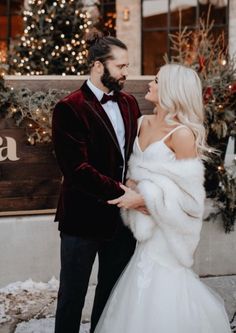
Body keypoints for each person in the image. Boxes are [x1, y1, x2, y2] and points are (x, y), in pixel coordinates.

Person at [94, 63, 232, 333]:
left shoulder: (181, 135)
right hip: (142, 227)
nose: (150, 83)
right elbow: (133, 167)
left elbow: (191, 201)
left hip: (166, 233)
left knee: (161, 287)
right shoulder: (141, 122)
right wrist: (131, 185)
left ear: (171, 89)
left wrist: (145, 200)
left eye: (156, 80)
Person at [52, 32, 141, 333]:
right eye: (120, 67)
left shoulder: (130, 103)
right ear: (97, 66)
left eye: (127, 66)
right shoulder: (69, 107)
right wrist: (121, 191)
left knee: (113, 293)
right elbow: (76, 168)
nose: (126, 73)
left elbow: (134, 156)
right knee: (72, 296)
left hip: (121, 220)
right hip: (81, 218)